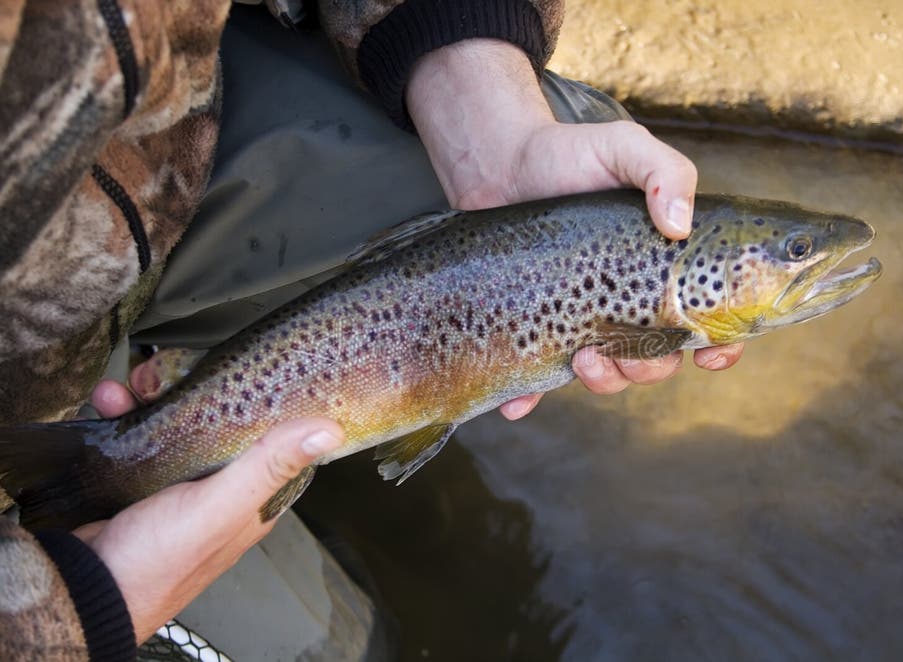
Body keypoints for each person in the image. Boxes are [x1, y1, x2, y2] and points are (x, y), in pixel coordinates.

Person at [0, 1, 743, 658]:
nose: (805, 262)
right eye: (793, 255)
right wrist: (86, 617)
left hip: (138, 133)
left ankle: (145, 412)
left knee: (585, 168)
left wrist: (478, 98)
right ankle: (128, 460)